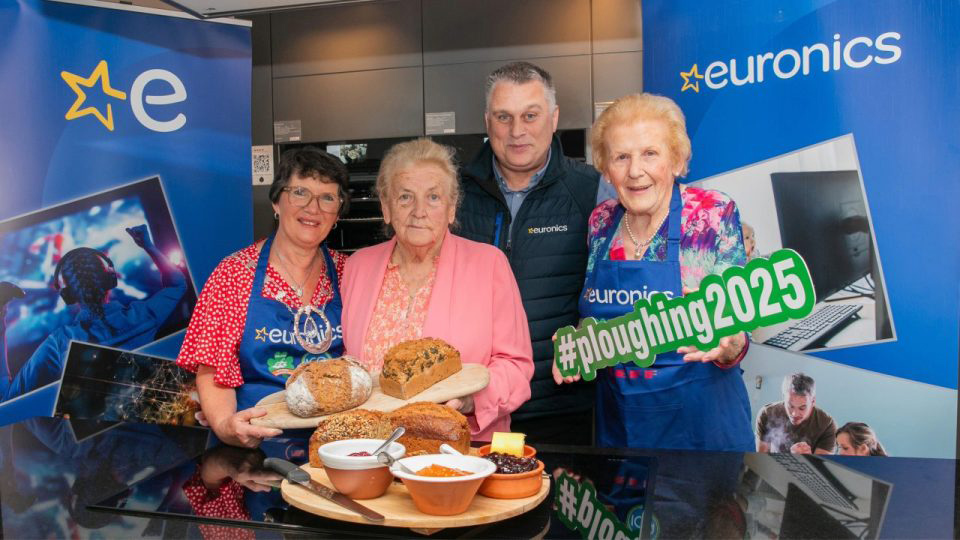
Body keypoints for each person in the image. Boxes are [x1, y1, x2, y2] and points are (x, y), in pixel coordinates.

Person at [556, 92, 754, 451]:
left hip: (701, 431)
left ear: (676, 159)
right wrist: (579, 346)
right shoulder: (601, 223)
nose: (635, 171)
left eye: (650, 153)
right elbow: (598, 317)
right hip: (621, 427)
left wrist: (730, 345)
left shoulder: (711, 215)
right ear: (605, 167)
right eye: (621, 157)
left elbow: (737, 333)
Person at [342, 138, 533, 442]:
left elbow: (515, 365)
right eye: (405, 197)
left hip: (460, 447)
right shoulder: (358, 267)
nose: (419, 211)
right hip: (372, 449)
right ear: (386, 206)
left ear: (451, 208)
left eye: (433, 197)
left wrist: (472, 400)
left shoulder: (489, 265)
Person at [457, 61, 607, 444]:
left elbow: (614, 286)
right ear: (487, 121)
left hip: (561, 406)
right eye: (504, 117)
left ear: (554, 118)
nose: (517, 131)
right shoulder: (454, 195)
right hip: (472, 407)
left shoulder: (591, 190)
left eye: (530, 115)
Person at [177, 146, 349, 448]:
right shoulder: (233, 274)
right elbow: (212, 370)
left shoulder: (350, 273)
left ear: (337, 212)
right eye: (300, 193)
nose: (313, 208)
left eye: (327, 198)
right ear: (276, 201)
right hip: (259, 442)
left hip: (337, 442)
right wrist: (227, 426)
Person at [0, 225, 187, 401]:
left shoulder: (60, 344)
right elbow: (178, 283)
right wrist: (148, 245)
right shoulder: (144, 315)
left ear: (67, 295)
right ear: (111, 279)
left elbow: (6, 398)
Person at [756, 373, 836, 454]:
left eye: (802, 408)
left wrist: (806, 457)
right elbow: (761, 458)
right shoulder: (767, 414)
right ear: (783, 397)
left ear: (813, 401)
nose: (794, 414)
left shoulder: (827, 424)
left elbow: (821, 465)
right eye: (790, 406)